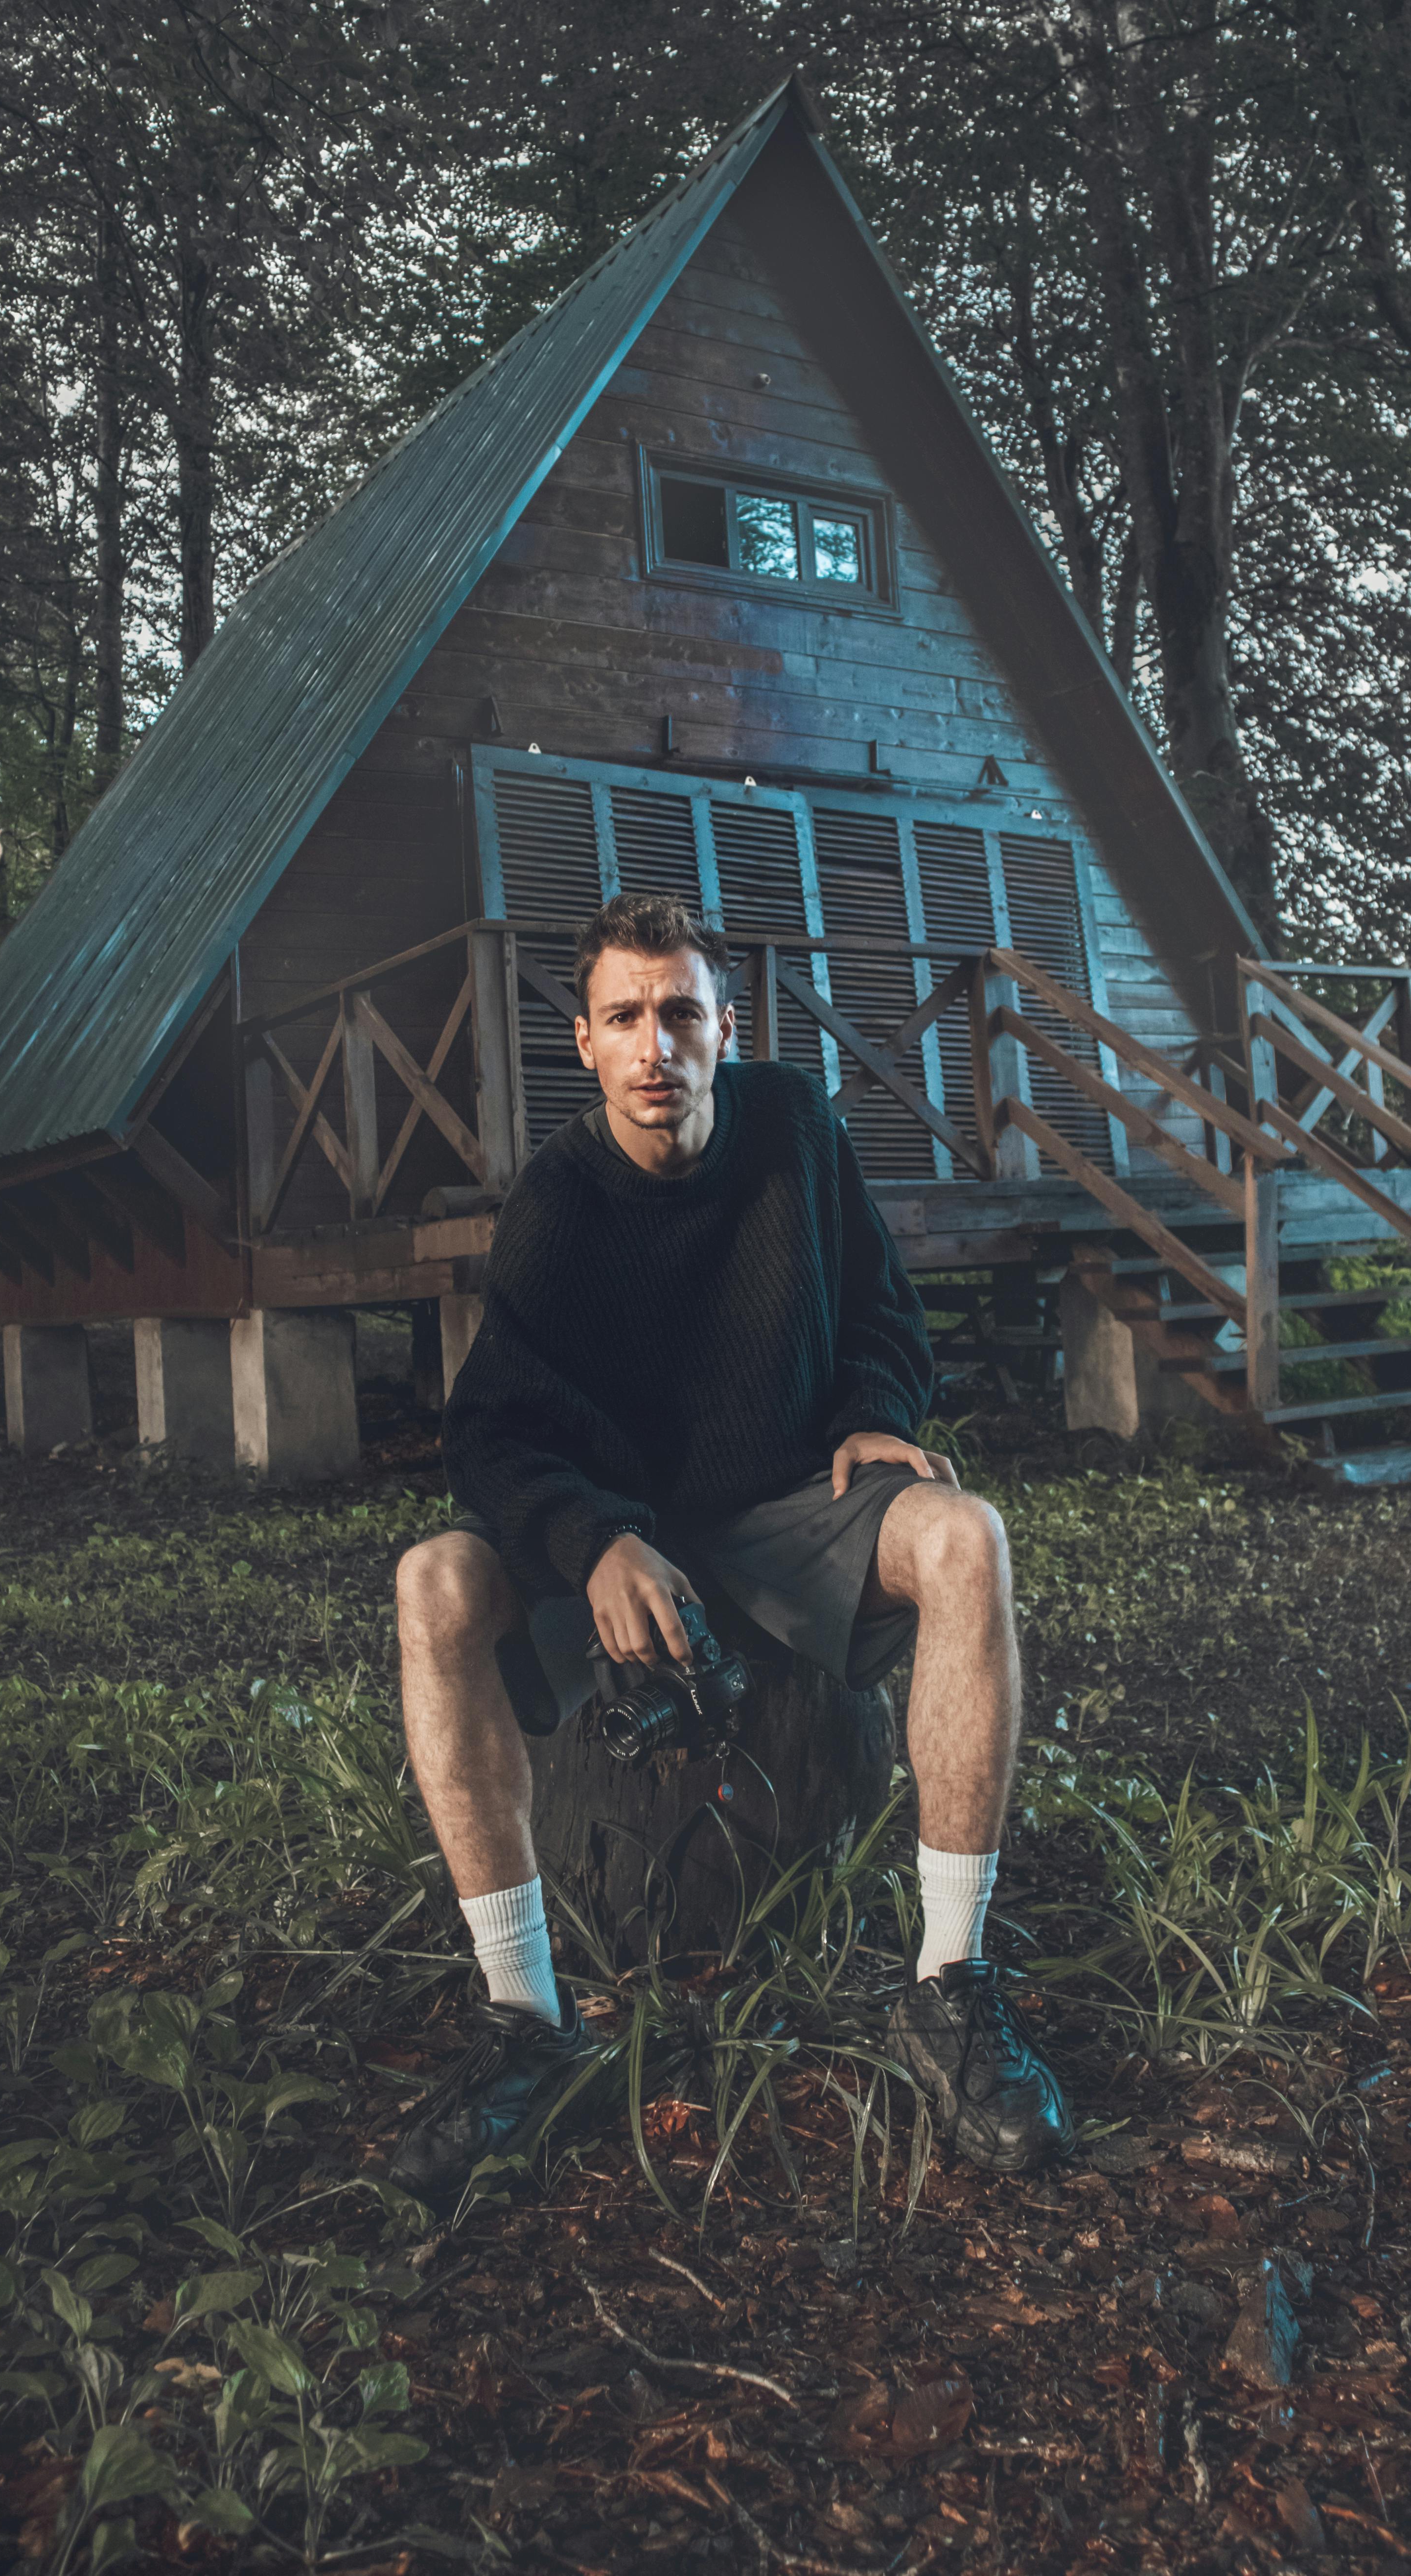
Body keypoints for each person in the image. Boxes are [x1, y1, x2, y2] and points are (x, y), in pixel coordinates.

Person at [388, 890, 1071, 2195]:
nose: (657, 1047)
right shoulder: (557, 1202)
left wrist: (875, 1412)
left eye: (681, 1014)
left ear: (725, 1026)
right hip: (621, 1539)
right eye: (625, 1019)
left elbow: (886, 1313)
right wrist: (592, 1540)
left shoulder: (795, 1132)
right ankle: (526, 2020)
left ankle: (949, 1986)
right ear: (583, 1044)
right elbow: (491, 1432)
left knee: (966, 1535)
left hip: (784, 1510)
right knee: (434, 1578)